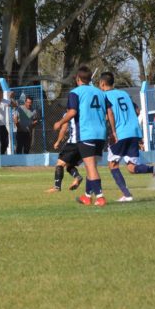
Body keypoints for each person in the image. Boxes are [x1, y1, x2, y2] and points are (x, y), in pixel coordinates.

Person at [99, 71, 155, 201]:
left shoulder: (103, 96)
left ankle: (127, 195)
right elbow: (137, 111)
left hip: (120, 133)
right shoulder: (124, 94)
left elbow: (108, 115)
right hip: (134, 132)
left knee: (113, 165)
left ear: (102, 83)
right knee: (131, 168)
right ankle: (153, 169)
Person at [53, 66, 108, 206]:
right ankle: (87, 197)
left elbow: (72, 112)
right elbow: (109, 112)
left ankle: (100, 197)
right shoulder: (100, 92)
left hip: (86, 133)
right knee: (91, 167)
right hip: (101, 134)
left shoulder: (75, 92)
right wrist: (113, 132)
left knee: (91, 167)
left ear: (78, 78)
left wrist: (60, 122)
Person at [45, 121, 83, 193]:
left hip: (73, 143)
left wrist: (58, 142)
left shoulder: (69, 114)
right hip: (85, 143)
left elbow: (64, 128)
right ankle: (77, 177)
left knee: (60, 164)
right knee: (69, 165)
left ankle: (57, 187)